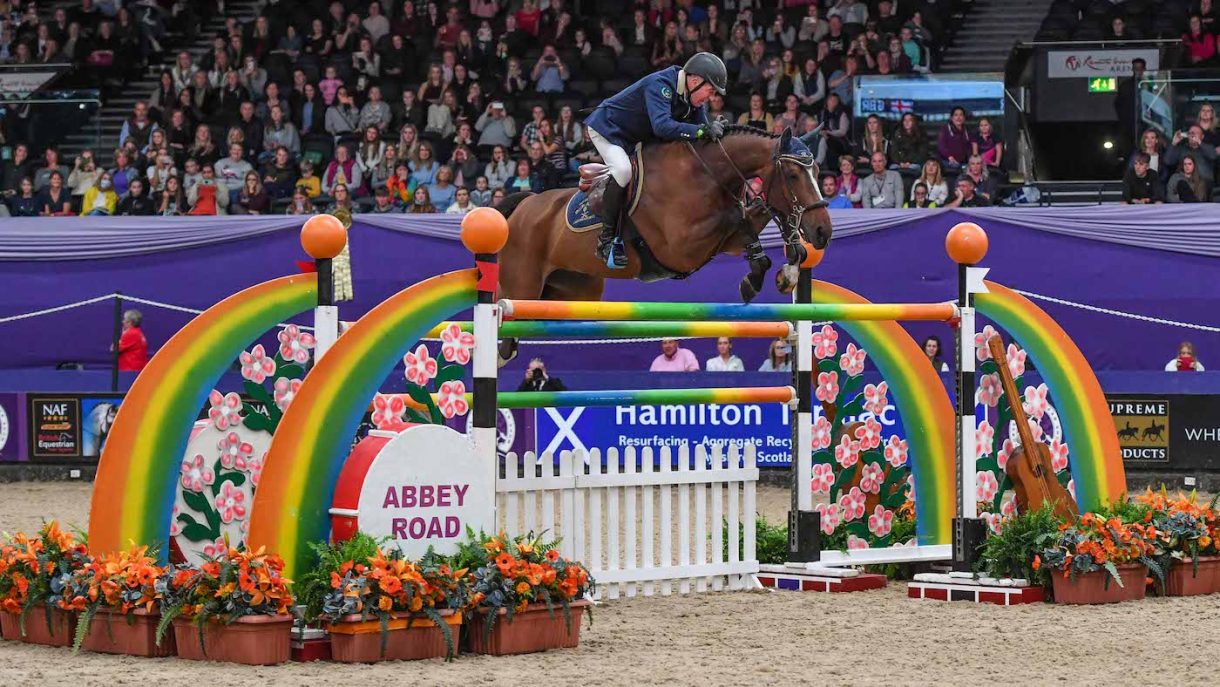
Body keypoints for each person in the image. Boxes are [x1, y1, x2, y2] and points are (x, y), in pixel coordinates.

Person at [583, 52, 729, 269]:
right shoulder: (660, 84)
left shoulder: (693, 99)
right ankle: (606, 241)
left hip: (637, 136)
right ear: (695, 80)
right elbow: (663, 127)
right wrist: (701, 131)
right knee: (623, 171)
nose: (710, 98)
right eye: (710, 91)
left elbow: (701, 138)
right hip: (610, 130)